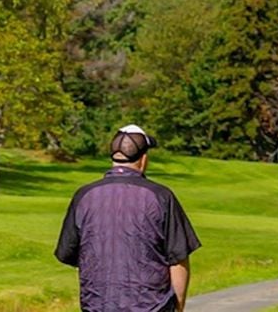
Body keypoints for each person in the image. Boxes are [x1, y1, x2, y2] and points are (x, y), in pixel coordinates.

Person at [55, 125, 202, 312]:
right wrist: (178, 307)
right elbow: (178, 258)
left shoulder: (84, 196)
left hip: (97, 306)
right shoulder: (161, 196)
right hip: (151, 307)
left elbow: (68, 252)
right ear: (144, 159)